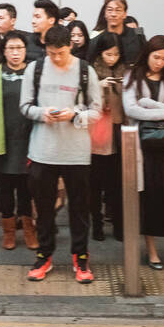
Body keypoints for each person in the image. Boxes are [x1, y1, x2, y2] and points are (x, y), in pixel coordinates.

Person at [20, 24, 102, 283]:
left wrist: (75, 115)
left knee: (80, 208)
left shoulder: (85, 71)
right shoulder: (35, 69)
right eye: (51, 52)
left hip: (77, 152)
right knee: (44, 208)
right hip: (43, 150)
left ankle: (81, 257)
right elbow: (24, 106)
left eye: (61, 53)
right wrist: (42, 114)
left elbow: (97, 111)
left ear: (72, 46)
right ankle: (45, 254)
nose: (56, 58)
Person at [124, 35, 164, 272]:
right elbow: (131, 108)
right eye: (156, 57)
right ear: (147, 54)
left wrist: (149, 105)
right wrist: (163, 112)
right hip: (144, 149)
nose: (159, 62)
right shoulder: (133, 76)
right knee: (149, 202)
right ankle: (152, 253)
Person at [0, 30, 37, 249]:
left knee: (26, 189)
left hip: (30, 140)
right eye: (11, 49)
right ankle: (8, 233)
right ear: (4, 52)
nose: (16, 53)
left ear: (26, 50)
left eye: (20, 48)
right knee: (5, 189)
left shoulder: (35, 73)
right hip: (3, 139)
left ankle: (29, 231)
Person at [87, 31, 129, 241]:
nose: (112, 58)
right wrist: (99, 87)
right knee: (94, 186)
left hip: (119, 132)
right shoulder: (91, 71)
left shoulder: (126, 71)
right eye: (108, 54)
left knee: (117, 185)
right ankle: (96, 226)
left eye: (116, 54)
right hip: (96, 134)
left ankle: (120, 226)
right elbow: (85, 102)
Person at [93, 0, 145, 68]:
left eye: (118, 10)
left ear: (125, 14)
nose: (113, 14)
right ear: (105, 13)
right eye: (110, 10)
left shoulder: (138, 34)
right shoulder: (97, 39)